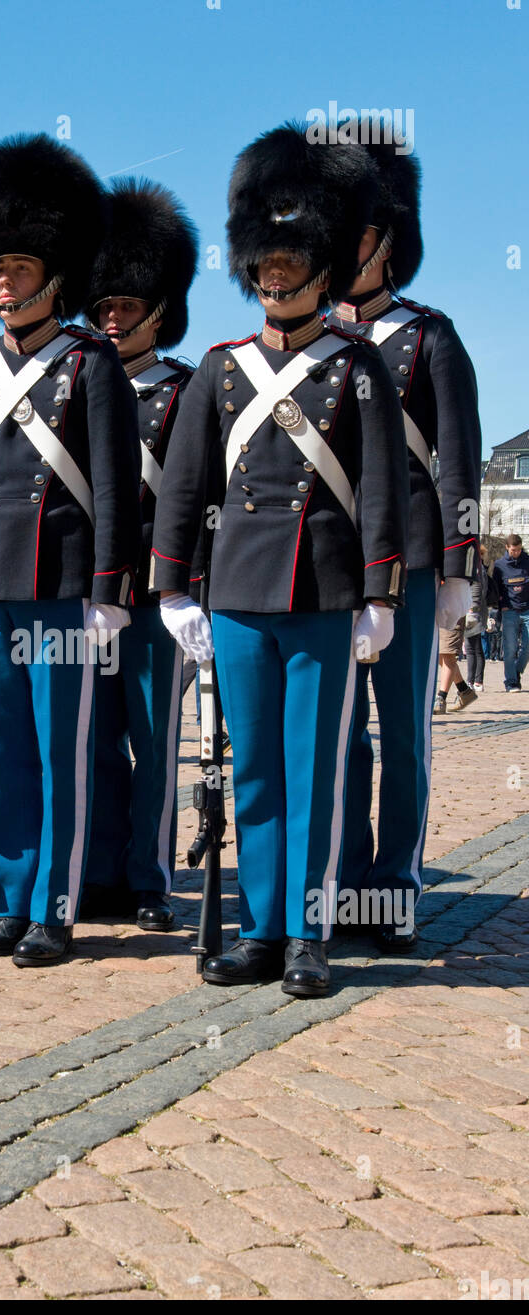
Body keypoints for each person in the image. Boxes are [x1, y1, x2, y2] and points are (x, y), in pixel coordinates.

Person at [152, 123, 408, 998]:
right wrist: (171, 588)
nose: (273, 270)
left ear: (319, 263)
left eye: (289, 255)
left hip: (326, 592)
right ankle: (262, 927)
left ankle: (309, 931)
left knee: (316, 768)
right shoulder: (221, 369)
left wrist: (382, 592)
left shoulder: (358, 365)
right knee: (253, 766)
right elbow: (184, 489)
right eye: (263, 256)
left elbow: (378, 487)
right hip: (236, 592)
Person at [0, 133, 141, 966]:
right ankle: (11, 895)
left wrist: (112, 588)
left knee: (60, 749)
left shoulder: (91, 364)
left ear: (52, 277)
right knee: (3, 750)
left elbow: (115, 486)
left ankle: (54, 901)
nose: (2, 283)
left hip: (61, 586)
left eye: (17, 269)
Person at [329, 130, 481, 946]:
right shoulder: (309, 341)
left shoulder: (430, 337)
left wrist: (458, 568)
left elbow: (456, 458)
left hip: (416, 560)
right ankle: (346, 876)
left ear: (388, 244)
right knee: (341, 732)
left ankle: (394, 885)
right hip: (327, 564)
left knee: (405, 736)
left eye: (357, 231)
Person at [80, 178, 197, 931]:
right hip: (87, 592)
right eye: (106, 307)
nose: (115, 320)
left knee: (153, 743)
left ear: (159, 311)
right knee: (89, 740)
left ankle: (150, 875)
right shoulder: (73, 386)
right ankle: (96, 870)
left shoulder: (189, 391)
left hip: (156, 594)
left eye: (127, 307)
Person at [494, 533, 529, 691]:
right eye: (514, 550)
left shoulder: (527, 561)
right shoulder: (499, 565)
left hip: (527, 609)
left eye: (519, 549)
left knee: (527, 646)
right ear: (507, 548)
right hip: (510, 611)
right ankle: (511, 682)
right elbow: (496, 589)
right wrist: (501, 606)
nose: (517, 552)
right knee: (510, 648)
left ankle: (516, 671)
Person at [465, 546, 494, 691]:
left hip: (474, 612)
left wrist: (472, 609)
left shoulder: (476, 568)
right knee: (475, 648)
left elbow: (477, 590)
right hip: (477, 611)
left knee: (472, 648)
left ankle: (473, 680)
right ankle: (476, 680)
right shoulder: (480, 567)